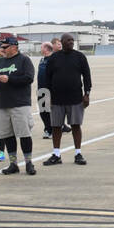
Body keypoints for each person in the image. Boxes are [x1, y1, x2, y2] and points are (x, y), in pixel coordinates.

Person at [0, 36, 37, 175]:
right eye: (1, 47)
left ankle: (28, 162)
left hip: (19, 104)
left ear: (14, 47)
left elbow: (29, 78)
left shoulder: (24, 60)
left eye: (4, 47)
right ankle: (13, 163)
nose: (1, 49)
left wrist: (10, 79)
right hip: (0, 104)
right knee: (7, 135)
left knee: (24, 134)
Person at [44, 33, 92, 165]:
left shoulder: (80, 57)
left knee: (76, 126)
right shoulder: (54, 58)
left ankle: (78, 153)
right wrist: (48, 97)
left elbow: (87, 76)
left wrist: (87, 94)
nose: (71, 42)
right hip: (56, 99)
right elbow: (47, 79)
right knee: (56, 127)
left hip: (75, 98)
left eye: (72, 40)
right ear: (62, 42)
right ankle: (56, 154)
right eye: (68, 40)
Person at [36, 42, 54, 138]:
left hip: (50, 90)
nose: (40, 49)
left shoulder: (53, 59)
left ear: (46, 49)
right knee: (42, 111)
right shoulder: (42, 59)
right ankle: (48, 128)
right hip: (41, 89)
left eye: (41, 47)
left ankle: (51, 130)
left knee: (49, 111)